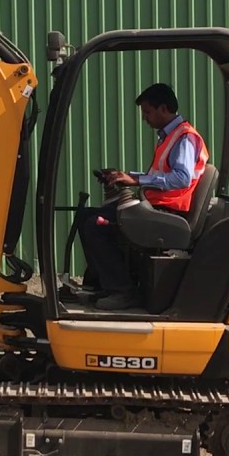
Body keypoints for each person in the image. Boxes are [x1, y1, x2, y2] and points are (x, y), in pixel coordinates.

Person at [74, 83, 210, 310]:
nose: (144, 118)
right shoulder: (169, 136)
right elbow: (159, 174)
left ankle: (123, 291)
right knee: (85, 216)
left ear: (163, 108)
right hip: (157, 204)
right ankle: (101, 284)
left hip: (169, 210)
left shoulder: (184, 138)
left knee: (95, 226)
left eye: (147, 112)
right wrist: (124, 176)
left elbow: (181, 178)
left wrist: (137, 181)